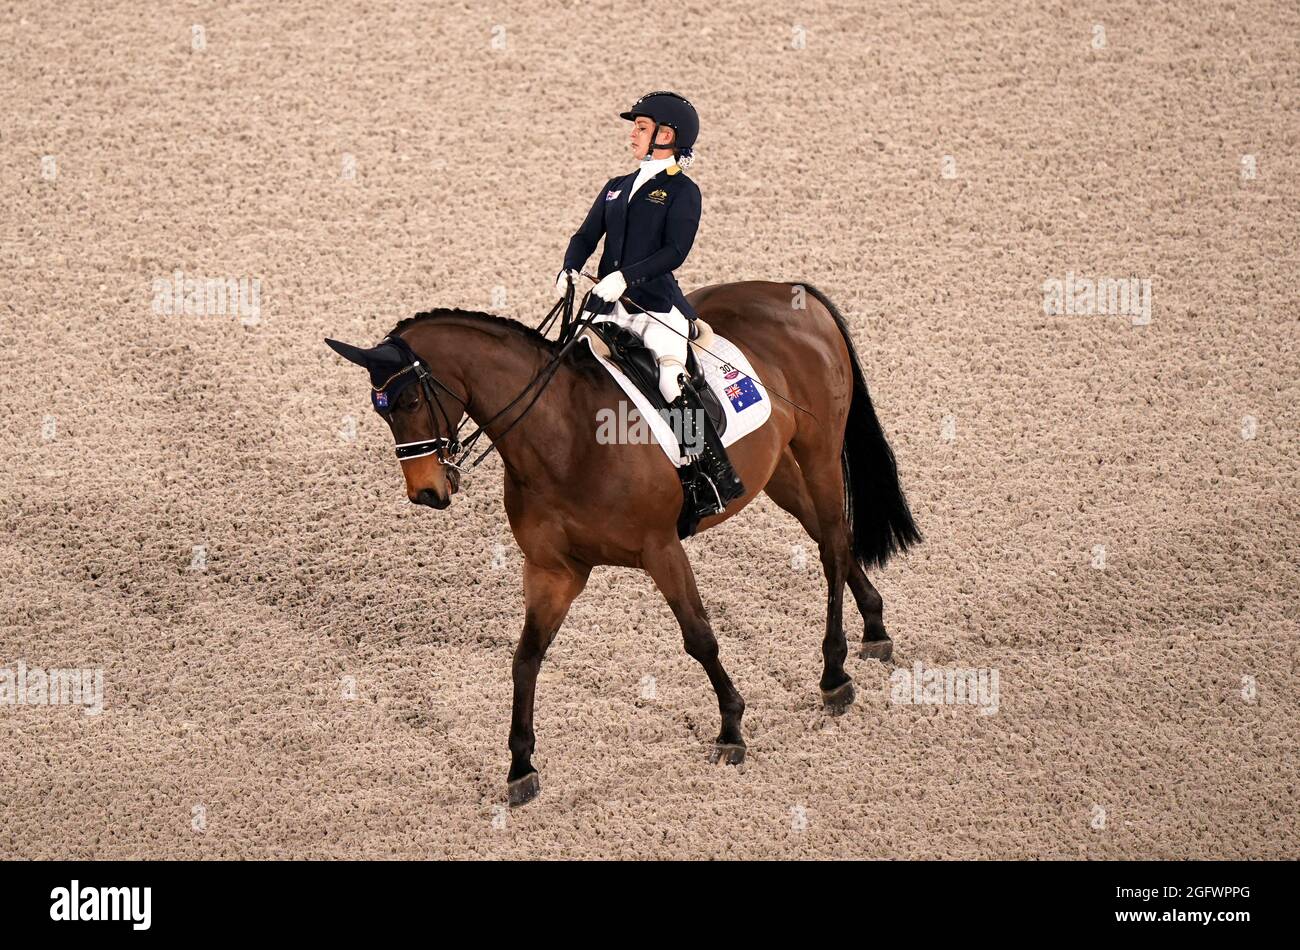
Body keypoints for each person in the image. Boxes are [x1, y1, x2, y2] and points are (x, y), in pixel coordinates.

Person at [556, 91, 744, 517]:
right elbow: (586, 237)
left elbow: (674, 252)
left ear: (667, 136)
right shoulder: (616, 187)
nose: (633, 135)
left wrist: (624, 276)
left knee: (669, 381)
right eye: (635, 128)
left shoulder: (682, 192)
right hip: (606, 305)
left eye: (641, 128)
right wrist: (570, 266)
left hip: (655, 307)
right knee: (565, 362)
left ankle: (710, 474)